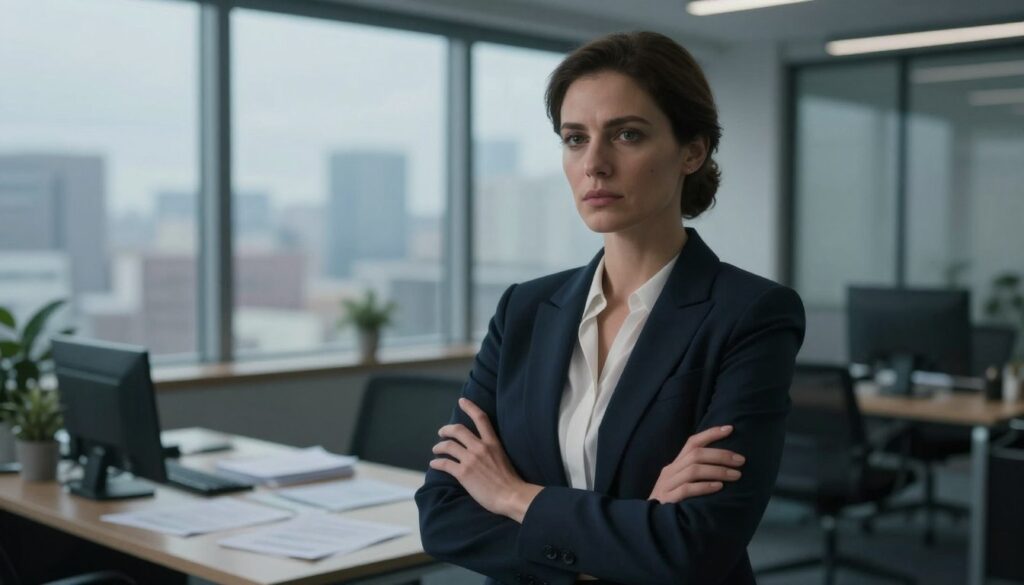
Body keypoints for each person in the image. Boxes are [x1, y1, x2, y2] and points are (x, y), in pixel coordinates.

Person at [415, 31, 805, 585]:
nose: (594, 164)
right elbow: (444, 515)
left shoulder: (752, 314)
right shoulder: (524, 310)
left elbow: (696, 543)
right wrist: (623, 541)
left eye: (627, 134)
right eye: (575, 138)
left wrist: (513, 495)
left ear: (692, 151)